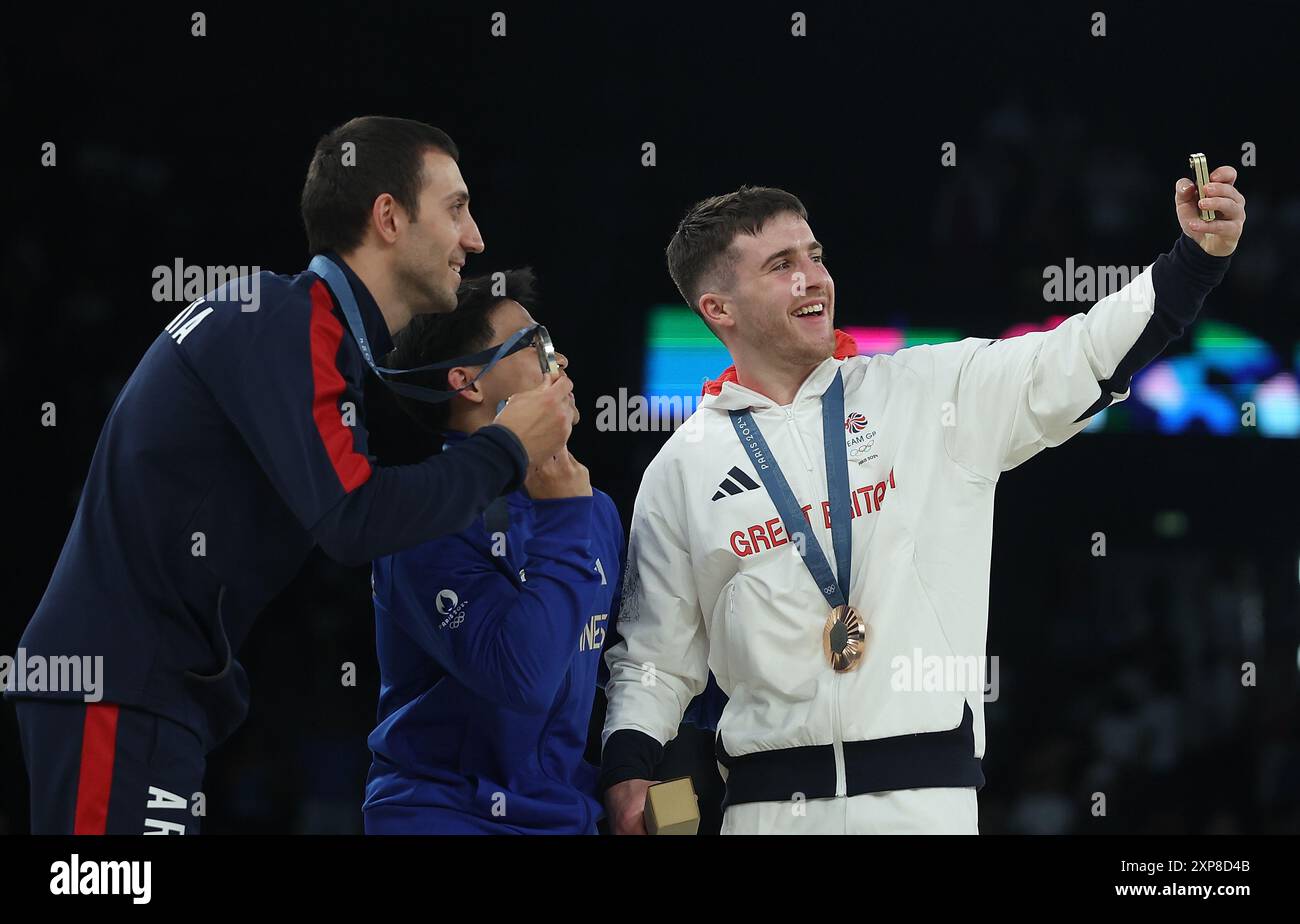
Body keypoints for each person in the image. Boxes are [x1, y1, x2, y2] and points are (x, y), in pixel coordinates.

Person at [601, 170, 1245, 834]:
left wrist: (1192, 262)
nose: (814, 278)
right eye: (781, 265)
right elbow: (654, 656)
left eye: (816, 257)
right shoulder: (683, 465)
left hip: (923, 804)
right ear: (718, 309)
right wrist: (628, 769)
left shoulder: (927, 392)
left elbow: (1078, 355)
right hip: (766, 811)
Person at [7, 117, 574, 834]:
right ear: (389, 218)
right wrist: (504, 448)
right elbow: (354, 518)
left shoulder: (297, 327)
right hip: (120, 686)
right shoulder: (289, 317)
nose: (476, 239)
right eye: (457, 208)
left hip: (141, 688)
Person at [364, 269, 622, 834]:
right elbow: (522, 677)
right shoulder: (424, 518)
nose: (560, 362)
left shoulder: (593, 508)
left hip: (565, 814)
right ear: (469, 383)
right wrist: (561, 517)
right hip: (447, 816)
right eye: (534, 347)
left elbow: (623, 657)